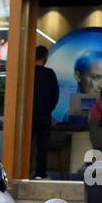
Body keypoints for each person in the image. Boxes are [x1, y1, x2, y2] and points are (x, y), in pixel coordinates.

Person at [30, 45, 59, 179]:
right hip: (44, 115)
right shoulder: (49, 73)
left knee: (26, 144)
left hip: (28, 116)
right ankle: (40, 173)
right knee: (42, 146)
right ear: (45, 58)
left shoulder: (28, 73)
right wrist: (48, 109)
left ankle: (24, 170)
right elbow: (55, 95)